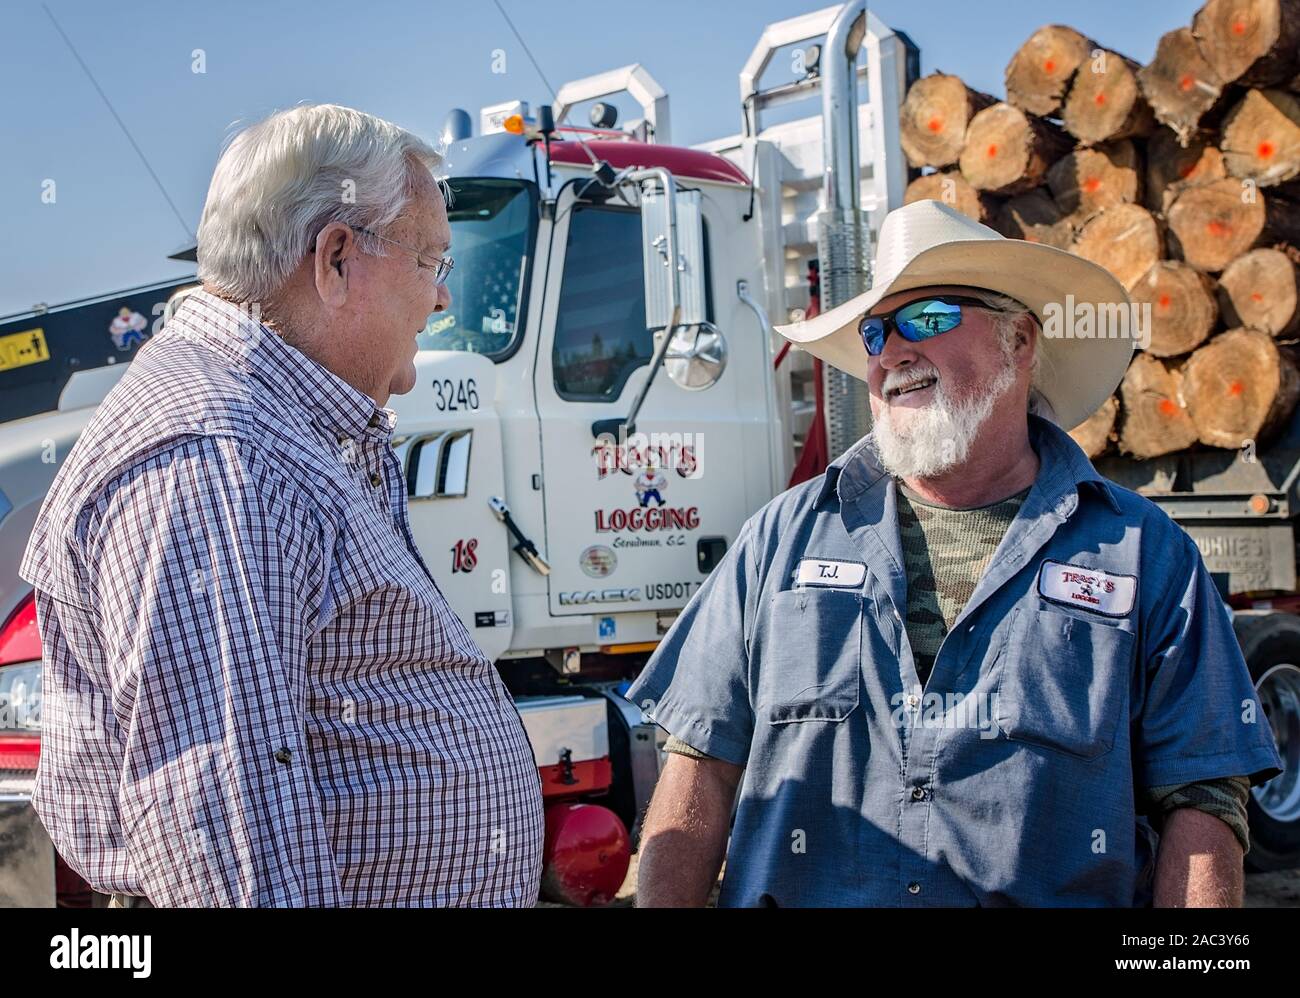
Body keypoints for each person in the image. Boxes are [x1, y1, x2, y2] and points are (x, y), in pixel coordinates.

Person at [627, 199, 1283, 907]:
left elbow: (1203, 798)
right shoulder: (777, 544)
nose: (890, 354)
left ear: (1020, 343)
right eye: (874, 333)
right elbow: (701, 766)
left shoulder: (1144, 557)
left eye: (928, 319)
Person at [21, 104, 543, 907]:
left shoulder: (259, 433)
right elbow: (229, 838)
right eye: (433, 261)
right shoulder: (222, 457)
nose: (442, 298)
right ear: (336, 259)